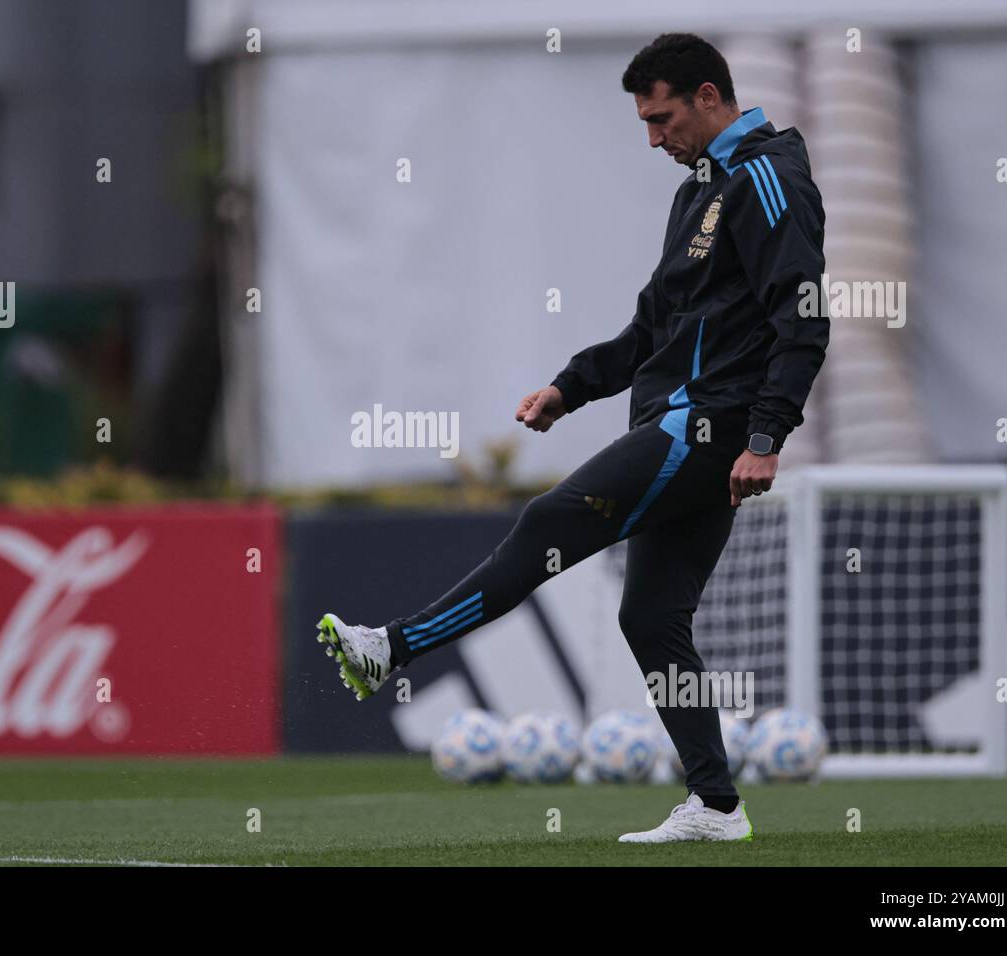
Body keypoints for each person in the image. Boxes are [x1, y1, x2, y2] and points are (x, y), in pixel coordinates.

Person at [317, 33, 827, 844]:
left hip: (704, 428)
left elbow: (802, 315)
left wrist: (765, 435)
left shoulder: (765, 175)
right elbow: (654, 323)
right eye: (644, 122)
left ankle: (392, 648)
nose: (653, 138)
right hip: (680, 423)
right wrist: (571, 386)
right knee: (653, 619)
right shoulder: (701, 185)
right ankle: (718, 806)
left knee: (551, 523)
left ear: (707, 95)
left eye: (662, 118)